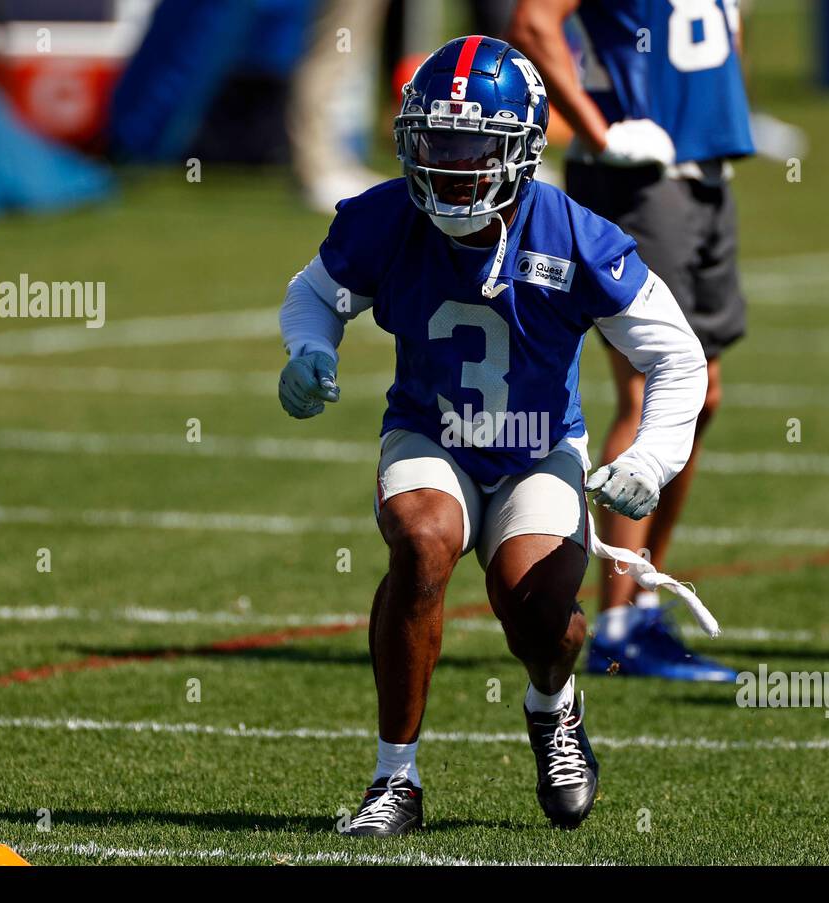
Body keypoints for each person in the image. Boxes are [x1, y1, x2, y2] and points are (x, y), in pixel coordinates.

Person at [277, 35, 712, 834]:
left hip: (536, 451)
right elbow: (312, 296)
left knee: (541, 615)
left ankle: (553, 705)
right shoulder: (386, 217)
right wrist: (310, 349)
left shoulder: (574, 234)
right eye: (435, 141)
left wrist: (651, 457)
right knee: (421, 539)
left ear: (523, 148)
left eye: (474, 144)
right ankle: (394, 780)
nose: (449, 163)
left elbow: (679, 358)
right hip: (430, 434)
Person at [507, 0, 749, 681]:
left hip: (701, 173)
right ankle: (618, 620)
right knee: (651, 387)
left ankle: (638, 600)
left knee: (701, 392)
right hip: (640, 182)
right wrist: (599, 130)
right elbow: (531, 23)